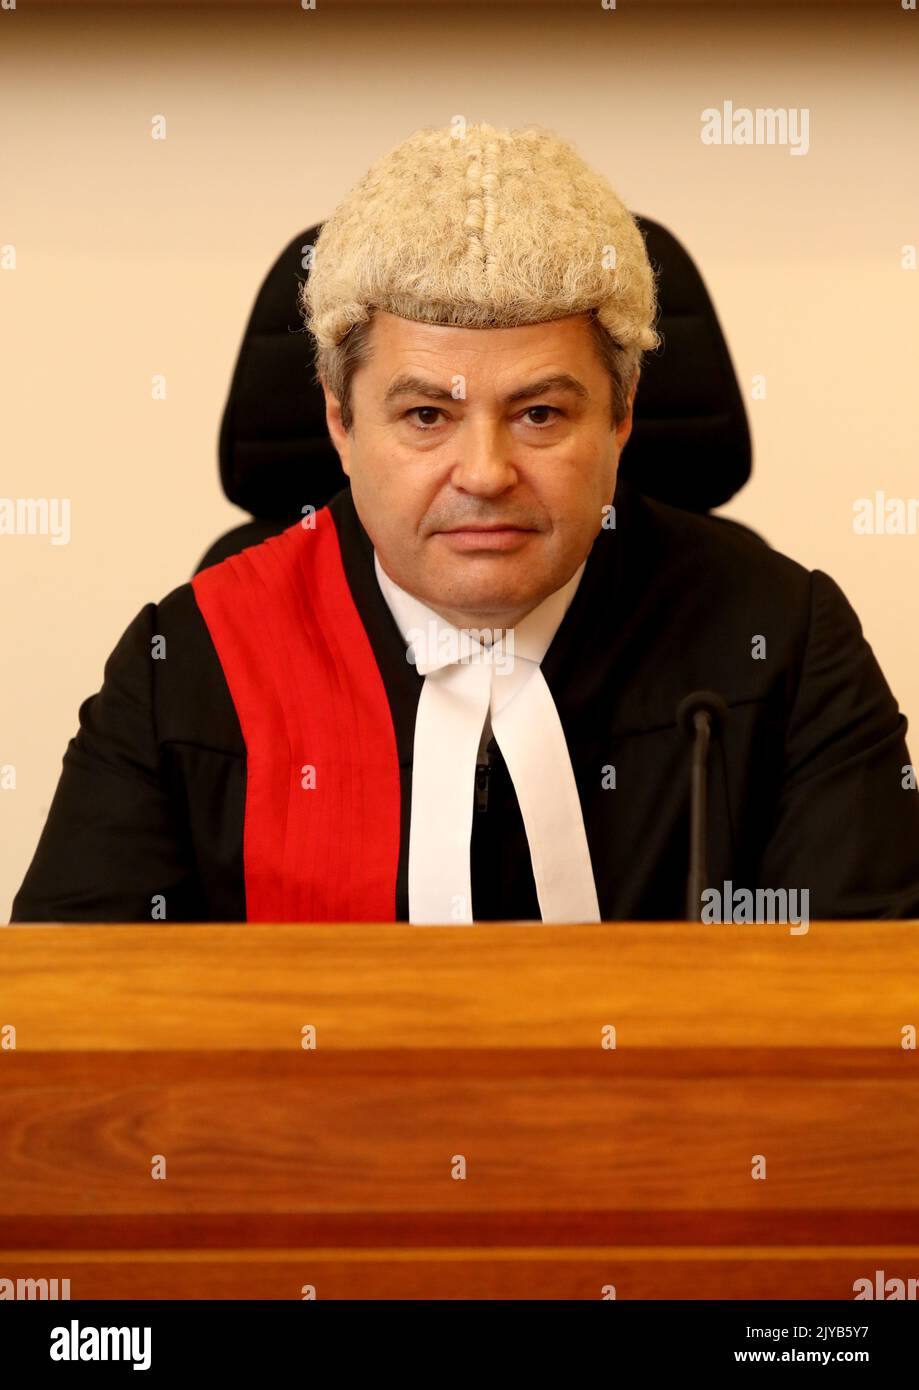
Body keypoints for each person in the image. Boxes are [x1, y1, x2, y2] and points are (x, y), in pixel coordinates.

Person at [11, 122, 919, 924]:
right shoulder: (191, 662)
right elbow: (72, 1037)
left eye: (539, 415)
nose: (484, 475)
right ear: (338, 420)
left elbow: (869, 1032)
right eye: (425, 418)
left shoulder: (784, 645)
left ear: (622, 414)